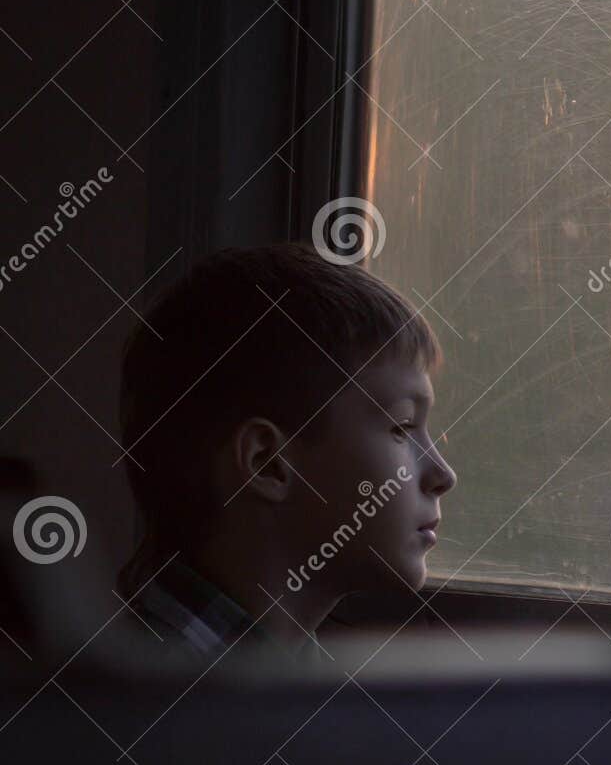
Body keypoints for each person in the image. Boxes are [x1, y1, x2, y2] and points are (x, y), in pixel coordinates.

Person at [114, 243, 457, 663]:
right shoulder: (151, 709)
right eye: (402, 427)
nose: (442, 474)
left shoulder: (280, 686)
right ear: (268, 463)